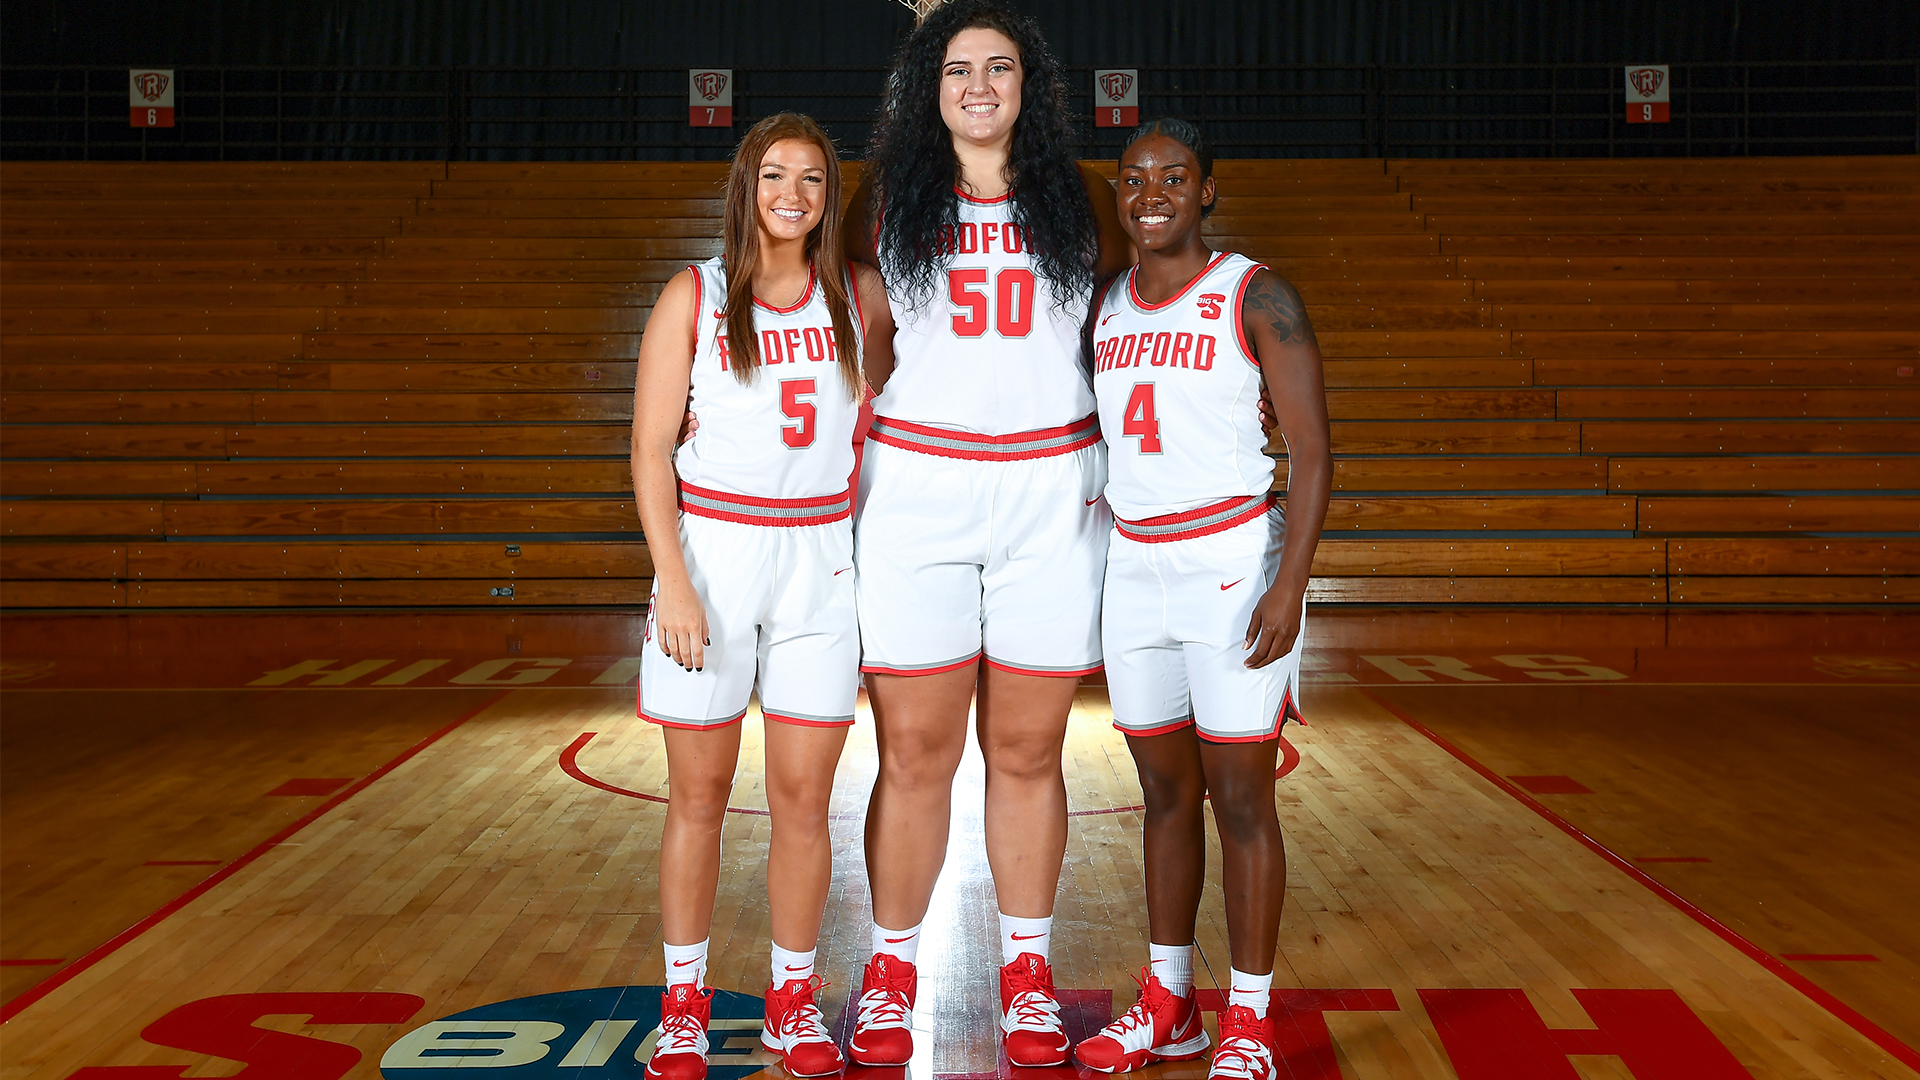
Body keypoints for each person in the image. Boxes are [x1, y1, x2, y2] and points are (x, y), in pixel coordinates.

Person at [840, 0, 1131, 1067]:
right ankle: (890, 971)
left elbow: (1127, 328)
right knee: (913, 753)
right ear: (929, 86)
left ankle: (1027, 973)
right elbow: (859, 343)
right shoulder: (884, 200)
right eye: (957, 67)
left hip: (1050, 490)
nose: (977, 85)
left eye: (999, 67)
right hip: (919, 488)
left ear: (1029, 86)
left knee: (1025, 750)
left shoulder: (1085, 204)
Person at [1070, 119, 1331, 1080]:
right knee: (1164, 795)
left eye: (1173, 177)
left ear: (1208, 190)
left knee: (1241, 798)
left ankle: (1251, 1021)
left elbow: (1311, 451)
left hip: (1229, 563)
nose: (1151, 193)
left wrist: (1289, 584)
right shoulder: (1105, 304)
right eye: (1135, 178)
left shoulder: (1257, 295)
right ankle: (1170, 1003)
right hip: (1136, 568)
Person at [630, 111, 887, 1080]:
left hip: (819, 558)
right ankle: (685, 1003)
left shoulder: (856, 300)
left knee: (803, 800)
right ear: (746, 187)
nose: (793, 194)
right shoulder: (692, 297)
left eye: (813, 179)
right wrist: (675, 581)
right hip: (715, 555)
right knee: (696, 795)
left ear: (830, 196)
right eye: (774, 176)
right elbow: (651, 450)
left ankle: (791, 1000)